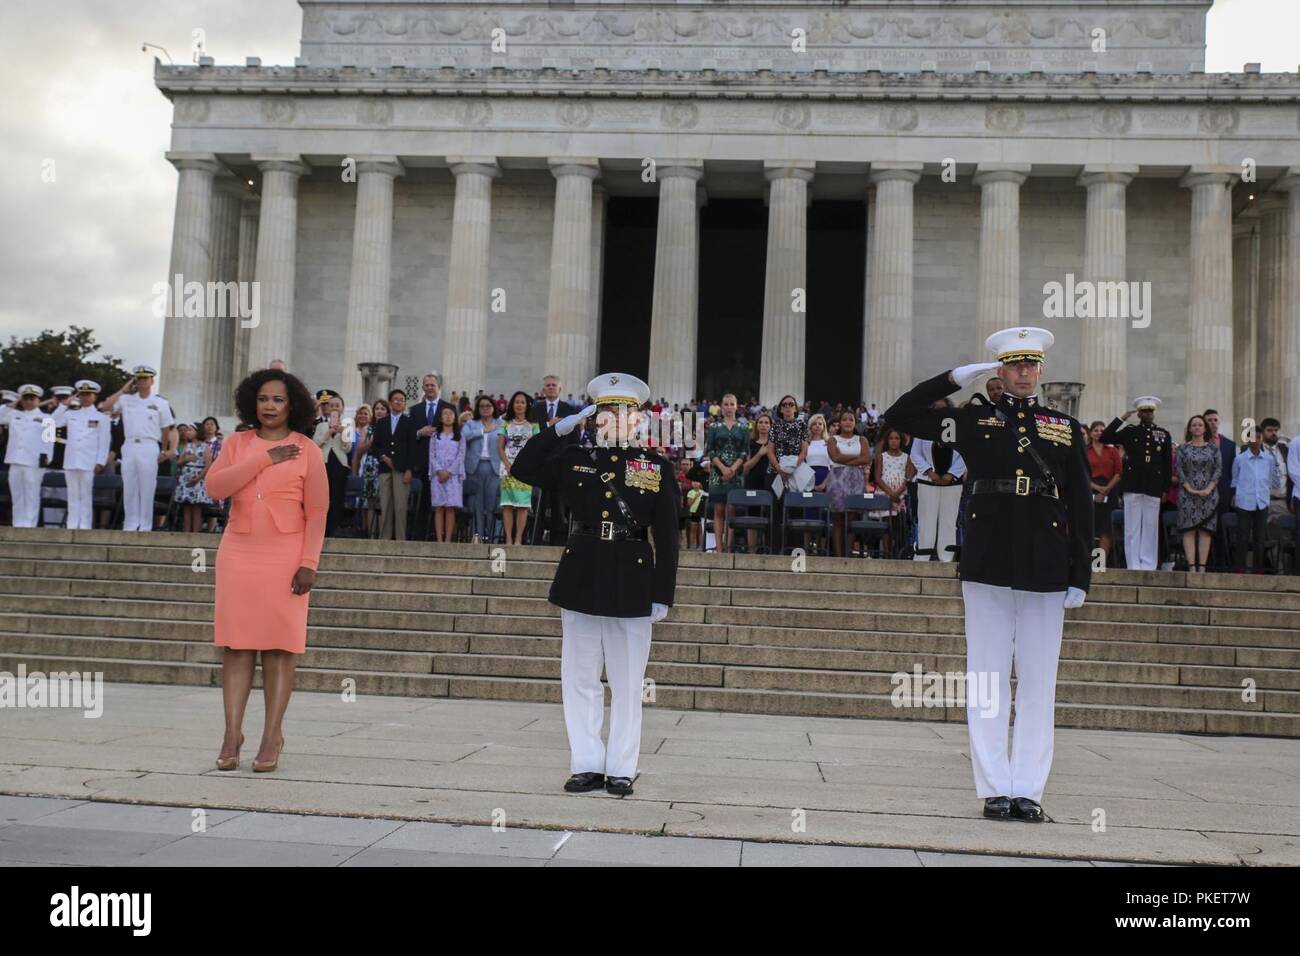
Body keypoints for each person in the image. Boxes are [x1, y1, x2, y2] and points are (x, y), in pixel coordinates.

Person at [884, 326, 1092, 824]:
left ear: (1040, 371)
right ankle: (996, 787)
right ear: (999, 370)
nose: (1023, 372)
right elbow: (900, 417)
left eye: (1031, 365)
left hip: (1046, 558)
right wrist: (952, 378)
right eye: (1013, 365)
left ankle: (1029, 790)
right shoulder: (974, 421)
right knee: (987, 678)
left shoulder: (1063, 427)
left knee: (1040, 681)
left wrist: (1080, 572)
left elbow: (1082, 504)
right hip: (988, 557)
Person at [510, 372, 679, 797]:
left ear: (636, 421)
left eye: (622, 415)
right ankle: (586, 762)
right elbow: (523, 468)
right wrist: (558, 429)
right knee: (581, 676)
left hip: (632, 577)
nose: (613, 422)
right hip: (582, 571)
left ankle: (621, 767)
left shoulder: (655, 468)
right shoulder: (573, 458)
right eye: (605, 414)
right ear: (594, 419)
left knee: (626, 682)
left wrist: (663, 592)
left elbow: (669, 536)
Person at [206, 368, 327, 774]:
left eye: (278, 399)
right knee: (236, 647)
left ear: (292, 404)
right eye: (262, 399)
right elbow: (216, 488)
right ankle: (231, 733)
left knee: (278, 649)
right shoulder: (237, 443)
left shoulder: (307, 448)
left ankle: (271, 735)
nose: (269, 406)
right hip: (239, 553)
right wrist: (264, 458)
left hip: (286, 556)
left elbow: (318, 512)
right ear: (251, 404)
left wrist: (309, 562)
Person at [98, 365, 176, 531]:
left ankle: (145, 524)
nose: (141, 381)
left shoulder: (160, 402)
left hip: (149, 445)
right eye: (138, 378)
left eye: (145, 378)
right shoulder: (126, 400)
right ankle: (130, 523)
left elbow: (166, 428)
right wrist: (124, 389)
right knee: (130, 486)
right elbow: (105, 407)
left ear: (151, 380)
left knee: (147, 487)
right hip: (130, 444)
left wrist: (163, 449)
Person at [1100, 397, 1172, 571]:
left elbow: (1167, 464)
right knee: (1132, 528)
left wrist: (1165, 489)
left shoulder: (1163, 434)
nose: (1148, 414)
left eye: (1150, 411)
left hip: (1153, 486)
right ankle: (1133, 564)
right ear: (1138, 414)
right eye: (1144, 411)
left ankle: (1148, 564)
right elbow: (1105, 436)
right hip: (1133, 485)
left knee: (1150, 528)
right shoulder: (1130, 431)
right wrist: (1121, 418)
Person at [48, 381, 111, 530]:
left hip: (89, 461)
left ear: (94, 396)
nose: (85, 397)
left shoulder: (101, 417)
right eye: (82, 394)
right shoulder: (70, 414)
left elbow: (104, 441)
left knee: (85, 495)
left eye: (88, 394)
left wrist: (100, 461)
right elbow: (50, 423)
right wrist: (64, 405)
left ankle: (84, 526)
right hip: (71, 460)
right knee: (72, 495)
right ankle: (72, 524)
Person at [909, 399, 967, 563]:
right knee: (926, 518)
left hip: (952, 483)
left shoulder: (959, 429)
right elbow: (915, 453)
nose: (940, 412)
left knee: (949, 519)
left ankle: (946, 557)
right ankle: (922, 556)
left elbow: (964, 453)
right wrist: (929, 472)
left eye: (943, 409)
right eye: (936, 409)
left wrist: (951, 474)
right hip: (928, 481)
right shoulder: (923, 427)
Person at [532, 375, 580, 545]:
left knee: (559, 503)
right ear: (543, 389)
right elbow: (531, 432)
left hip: (561, 463)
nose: (551, 387)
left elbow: (574, 437)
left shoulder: (569, 409)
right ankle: (535, 538)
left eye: (554, 385)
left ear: (560, 389)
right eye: (548, 385)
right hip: (540, 462)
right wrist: (548, 427)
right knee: (537, 502)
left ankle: (558, 541)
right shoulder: (535, 409)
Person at [408, 373, 456, 540]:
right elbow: (409, 436)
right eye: (426, 385)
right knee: (421, 502)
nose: (429, 388)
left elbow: (455, 434)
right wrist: (420, 432)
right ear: (423, 387)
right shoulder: (415, 410)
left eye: (432, 385)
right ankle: (419, 536)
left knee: (441, 503)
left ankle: (437, 536)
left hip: (442, 465)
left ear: (439, 387)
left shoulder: (448, 407)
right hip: (421, 463)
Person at [0, 385, 54, 527]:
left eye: (32, 399)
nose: (29, 401)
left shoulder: (46, 418)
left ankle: (30, 525)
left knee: (31, 494)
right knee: (17, 494)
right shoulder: (14, 415)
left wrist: (47, 457)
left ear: (38, 400)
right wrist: (11, 404)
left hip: (34, 461)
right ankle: (18, 524)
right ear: (21, 400)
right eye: (26, 398)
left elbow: (49, 440)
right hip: (15, 459)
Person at [1175, 415, 1220, 572]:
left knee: (1205, 531)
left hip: (1209, 496)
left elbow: (1218, 469)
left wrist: (1209, 488)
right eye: (1193, 425)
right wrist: (1188, 487)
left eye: (1200, 425)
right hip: (1187, 495)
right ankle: (1191, 567)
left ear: (1205, 428)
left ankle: (1202, 567)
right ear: (1189, 428)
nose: (1197, 427)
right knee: (1189, 530)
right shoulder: (1182, 448)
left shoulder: (1213, 448)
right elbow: (1179, 469)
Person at [704, 393, 748, 552]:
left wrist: (733, 468)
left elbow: (744, 452)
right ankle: (719, 548)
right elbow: (711, 450)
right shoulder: (714, 427)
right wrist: (722, 468)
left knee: (731, 509)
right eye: (726, 404)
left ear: (737, 406)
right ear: (722, 407)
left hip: (736, 473)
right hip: (717, 473)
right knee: (718, 509)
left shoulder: (743, 427)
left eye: (732, 404)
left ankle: (729, 547)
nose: (729, 407)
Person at [372, 388, 416, 540]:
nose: (398, 402)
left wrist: (409, 470)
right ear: (390, 403)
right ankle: (384, 539)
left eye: (401, 400)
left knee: (400, 506)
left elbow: (412, 448)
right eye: (395, 399)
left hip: (402, 469)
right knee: (386, 505)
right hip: (385, 468)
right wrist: (384, 457)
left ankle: (400, 540)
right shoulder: (382, 422)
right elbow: (375, 446)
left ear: (404, 404)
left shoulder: (409, 423)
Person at [499, 391, 539, 546]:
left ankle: (518, 539)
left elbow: (536, 448)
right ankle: (508, 539)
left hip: (525, 469)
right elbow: (500, 447)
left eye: (522, 402)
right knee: (507, 505)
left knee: (522, 506)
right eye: (516, 402)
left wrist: (524, 465)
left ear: (527, 405)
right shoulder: (505, 423)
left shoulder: (533, 425)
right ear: (512, 404)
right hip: (507, 468)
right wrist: (508, 465)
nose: (519, 405)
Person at [1232, 433, 1276, 572]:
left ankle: (1258, 568)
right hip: (1244, 501)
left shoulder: (1268, 459)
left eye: (1258, 437)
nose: (1255, 440)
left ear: (1261, 439)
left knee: (1260, 537)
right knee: (1243, 536)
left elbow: (1270, 479)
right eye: (1252, 437)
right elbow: (1235, 479)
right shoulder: (1240, 459)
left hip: (1262, 501)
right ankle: (1240, 567)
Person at [828, 409, 869, 556]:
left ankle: (848, 553)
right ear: (840, 422)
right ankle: (839, 555)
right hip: (837, 479)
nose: (847, 422)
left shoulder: (862, 440)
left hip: (855, 479)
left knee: (851, 518)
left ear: (855, 422)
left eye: (851, 419)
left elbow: (866, 458)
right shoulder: (833, 440)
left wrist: (843, 457)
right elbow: (834, 457)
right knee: (838, 518)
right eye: (845, 419)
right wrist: (855, 458)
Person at [461, 395, 502, 543]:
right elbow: (462, 437)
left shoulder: (500, 422)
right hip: (475, 467)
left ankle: (492, 538)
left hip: (494, 467)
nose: (485, 408)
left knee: (492, 504)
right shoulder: (472, 423)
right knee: (476, 504)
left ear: (493, 408)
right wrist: (482, 431)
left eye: (488, 406)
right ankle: (476, 536)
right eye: (482, 406)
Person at [312, 394, 352, 536]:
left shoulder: (347, 425)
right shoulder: (321, 426)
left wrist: (342, 434)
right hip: (324, 463)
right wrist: (328, 433)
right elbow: (315, 444)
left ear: (342, 408)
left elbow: (347, 449)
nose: (334, 407)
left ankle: (334, 528)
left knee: (338, 497)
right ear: (327, 408)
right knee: (323, 497)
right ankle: (321, 528)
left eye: (337, 405)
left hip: (340, 464)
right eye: (332, 405)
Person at [1085, 420, 1123, 562]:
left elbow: (1119, 472)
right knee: (1090, 527)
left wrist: (1105, 490)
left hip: (1110, 489)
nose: (1099, 433)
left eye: (1102, 430)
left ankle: (1099, 562)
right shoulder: (1085, 450)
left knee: (1106, 529)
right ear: (1091, 433)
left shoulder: (1112, 451)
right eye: (1096, 430)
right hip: (1090, 489)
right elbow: (1081, 472)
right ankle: (1087, 560)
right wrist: (1096, 488)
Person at [428, 404, 466, 542]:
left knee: (450, 507)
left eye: (451, 413)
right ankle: (439, 539)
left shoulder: (459, 436)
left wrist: (449, 472)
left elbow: (461, 456)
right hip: (438, 476)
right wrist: (438, 470)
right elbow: (432, 455)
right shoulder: (435, 436)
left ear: (455, 417)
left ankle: (448, 539)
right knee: (439, 507)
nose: (448, 416)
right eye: (445, 414)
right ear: (440, 417)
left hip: (453, 476)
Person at [175, 423, 217, 532]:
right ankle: (187, 531)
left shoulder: (205, 447)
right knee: (187, 505)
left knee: (197, 507)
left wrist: (198, 478)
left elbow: (208, 464)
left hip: (198, 477)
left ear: (198, 432)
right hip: (186, 477)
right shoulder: (187, 446)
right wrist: (186, 459)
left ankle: (195, 532)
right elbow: (179, 461)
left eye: (190, 430)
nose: (187, 432)